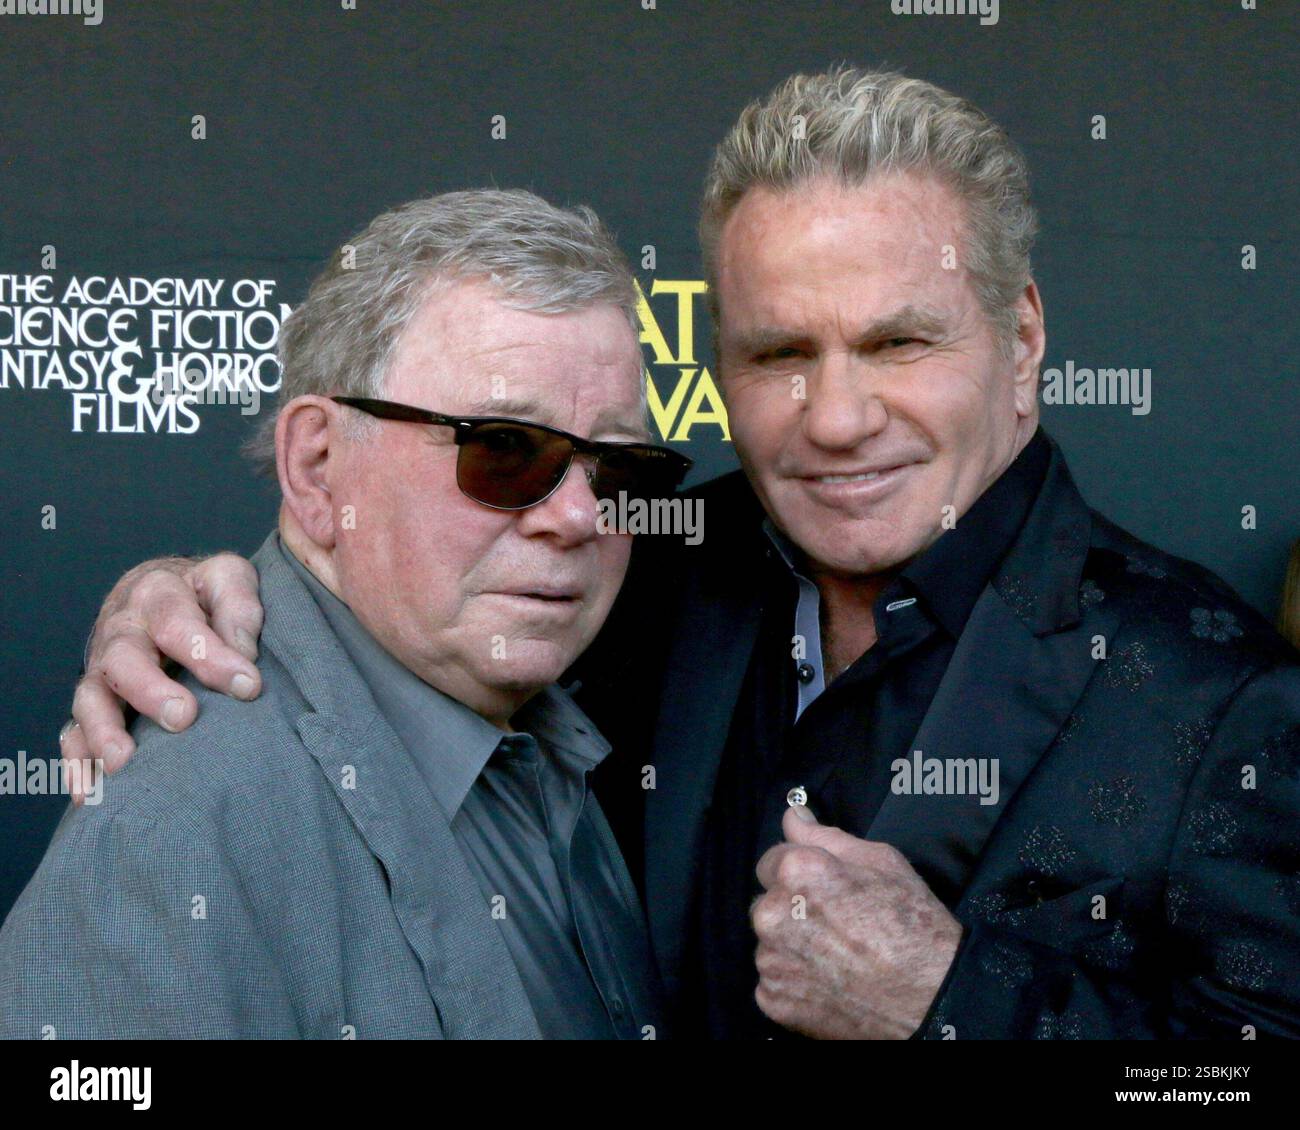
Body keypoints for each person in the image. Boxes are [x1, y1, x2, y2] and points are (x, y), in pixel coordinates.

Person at [52, 68, 1300, 1039]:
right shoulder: (647, 553)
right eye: (778, 354)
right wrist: (216, 593)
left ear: (1020, 338)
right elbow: (414, 570)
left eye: (898, 343)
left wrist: (952, 998)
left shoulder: (1220, 695)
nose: (835, 415)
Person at [0, 189, 689, 1039]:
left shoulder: (565, 727)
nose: (580, 516)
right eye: (505, 449)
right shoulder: (173, 830)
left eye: (620, 469)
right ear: (319, 466)